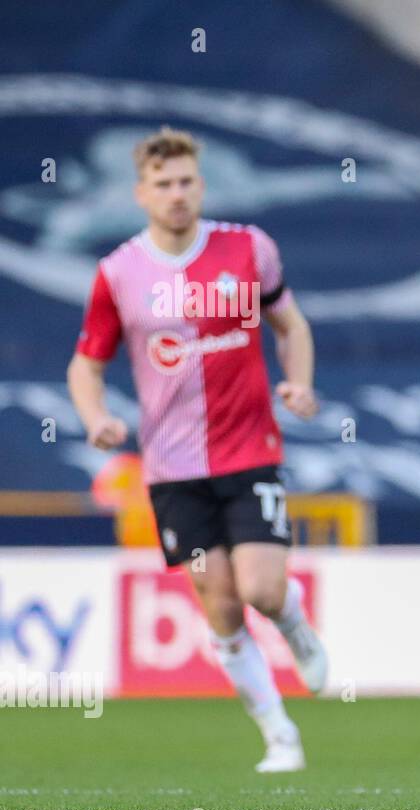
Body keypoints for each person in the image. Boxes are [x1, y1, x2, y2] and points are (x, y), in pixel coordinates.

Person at [67, 127, 327, 773]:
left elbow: (290, 324)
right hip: (173, 468)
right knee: (221, 604)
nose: (176, 194)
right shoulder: (119, 272)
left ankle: (292, 620)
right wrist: (95, 418)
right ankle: (279, 735)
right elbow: (85, 364)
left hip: (249, 449)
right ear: (140, 193)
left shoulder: (247, 249)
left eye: (185, 182)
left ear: (201, 185)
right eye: (163, 184)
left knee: (263, 590)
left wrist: (299, 381)